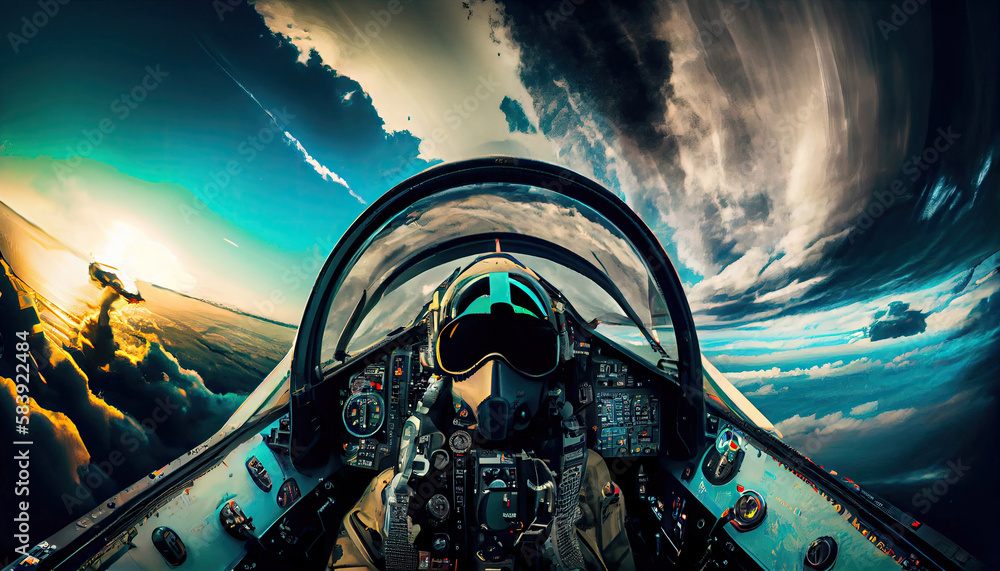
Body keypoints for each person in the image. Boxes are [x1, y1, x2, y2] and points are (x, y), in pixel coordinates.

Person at [328, 254, 635, 570]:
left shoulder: (585, 475)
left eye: (526, 349)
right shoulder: (398, 492)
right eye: (468, 347)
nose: (494, 375)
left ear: (555, 366)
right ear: (440, 365)